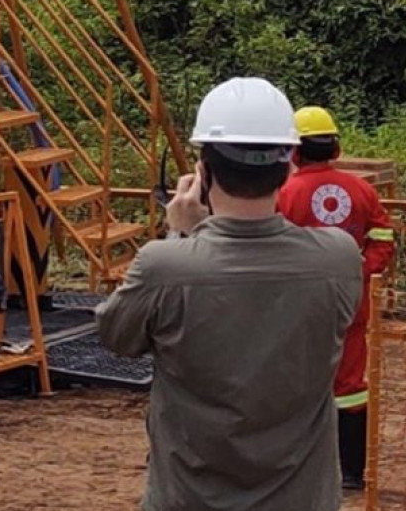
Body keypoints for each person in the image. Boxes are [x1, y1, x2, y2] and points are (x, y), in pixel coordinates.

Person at [96, 78, 363, 510]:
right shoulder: (338, 259)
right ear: (288, 167)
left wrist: (182, 235)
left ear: (203, 171)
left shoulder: (165, 266)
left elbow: (117, 337)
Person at [276, 105, 394, 490]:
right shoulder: (362, 190)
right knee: (350, 384)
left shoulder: (285, 193)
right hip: (351, 300)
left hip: (299, 303)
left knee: (294, 379)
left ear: (294, 152)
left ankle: (297, 467)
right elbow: (383, 237)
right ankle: (353, 474)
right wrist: (361, 271)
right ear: (336, 149)